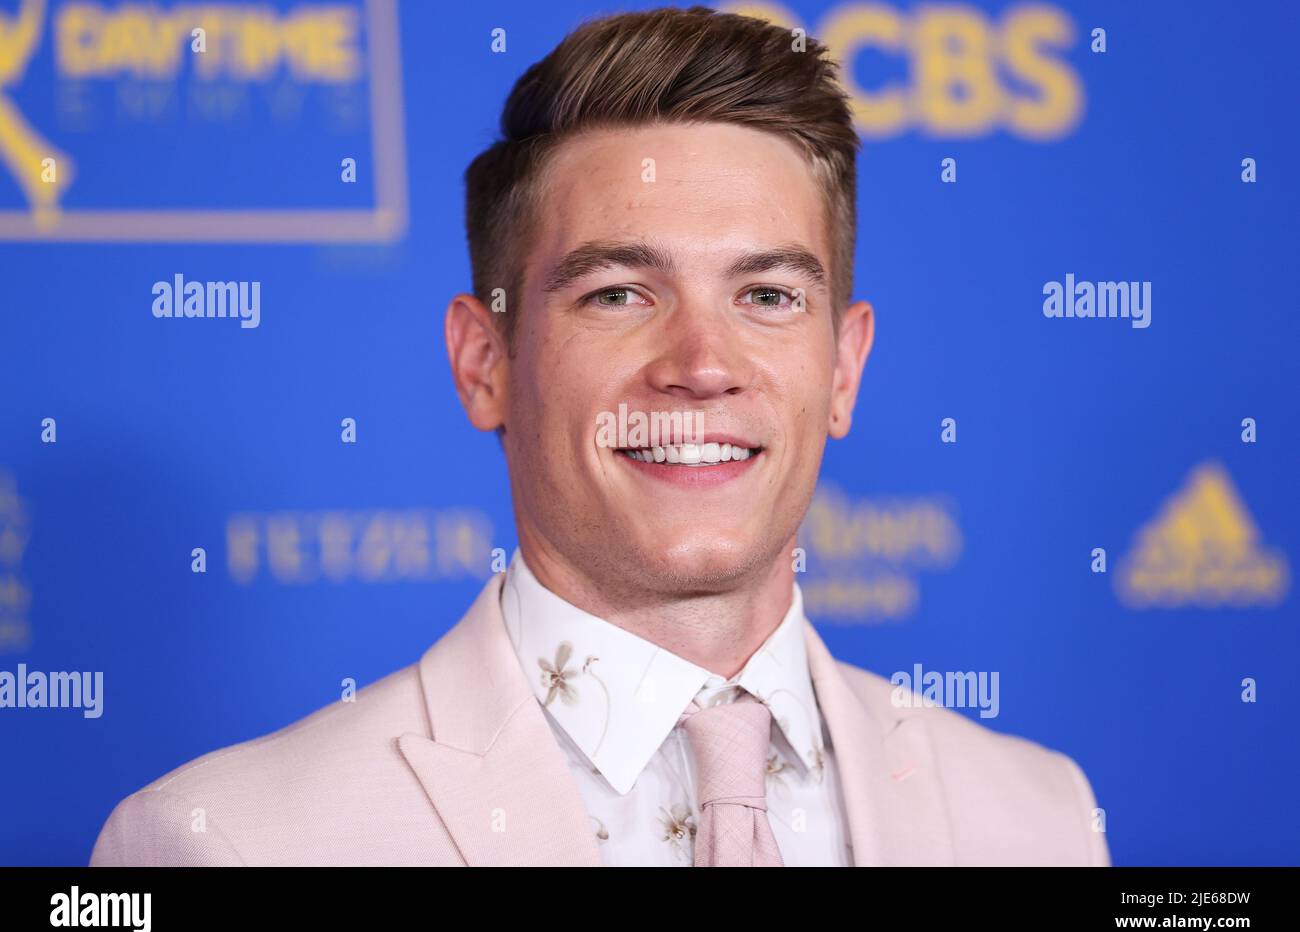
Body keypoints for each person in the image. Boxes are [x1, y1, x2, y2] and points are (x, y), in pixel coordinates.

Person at [90, 5, 1110, 867]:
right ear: (485, 360)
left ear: (841, 368)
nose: (702, 362)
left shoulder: (1038, 818)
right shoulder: (226, 842)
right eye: (618, 292)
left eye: (765, 293)